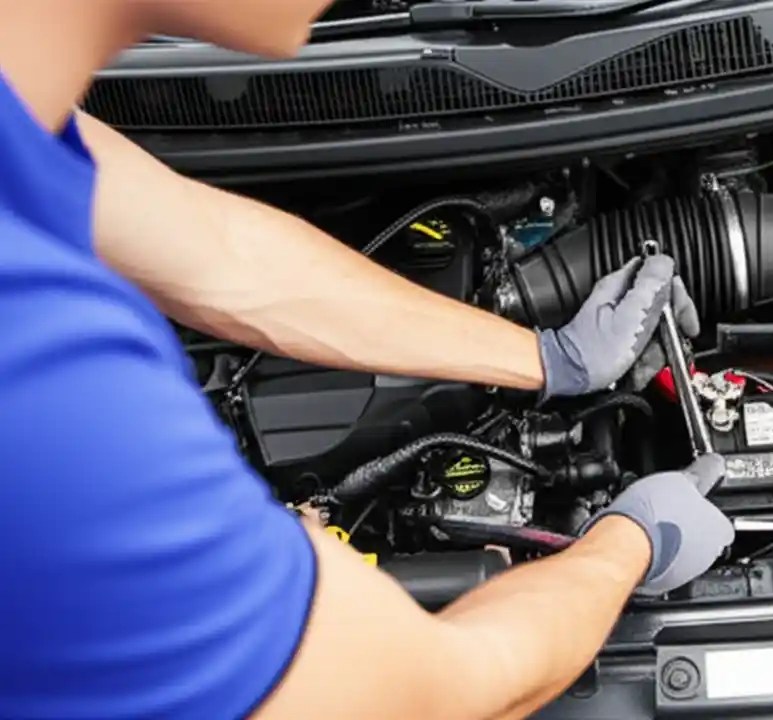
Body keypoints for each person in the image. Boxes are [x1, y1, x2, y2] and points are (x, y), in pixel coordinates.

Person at [0, 2, 733, 718]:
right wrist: (630, 541)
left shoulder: (23, 114)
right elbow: (443, 693)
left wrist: (551, 359)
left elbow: (231, 259)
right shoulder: (56, 403)